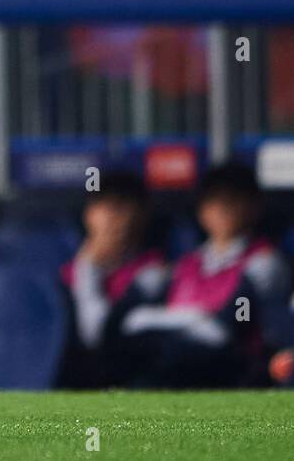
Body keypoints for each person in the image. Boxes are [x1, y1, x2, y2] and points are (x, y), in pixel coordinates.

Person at [121, 162, 294, 387]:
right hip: (172, 362)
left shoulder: (264, 263)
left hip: (235, 373)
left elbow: (224, 331)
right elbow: (131, 321)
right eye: (214, 201)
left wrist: (168, 322)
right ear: (201, 210)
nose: (222, 209)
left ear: (254, 206)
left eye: (232, 201)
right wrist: (190, 319)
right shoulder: (183, 266)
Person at [57, 171, 167, 387]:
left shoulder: (153, 274)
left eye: (123, 206)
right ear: (88, 214)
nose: (113, 217)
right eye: (105, 205)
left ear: (142, 214)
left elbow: (96, 335)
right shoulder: (63, 278)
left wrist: (87, 268)